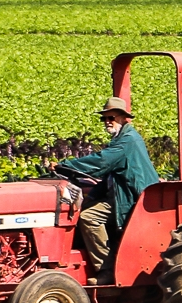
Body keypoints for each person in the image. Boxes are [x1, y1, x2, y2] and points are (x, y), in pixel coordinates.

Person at [56, 97, 162, 282]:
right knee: (85, 207)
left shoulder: (127, 140)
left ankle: (107, 270)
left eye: (110, 118)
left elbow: (103, 162)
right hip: (121, 193)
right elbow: (109, 175)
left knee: (89, 217)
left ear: (123, 118)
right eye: (103, 119)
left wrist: (66, 166)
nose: (107, 122)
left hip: (133, 199)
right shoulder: (122, 138)